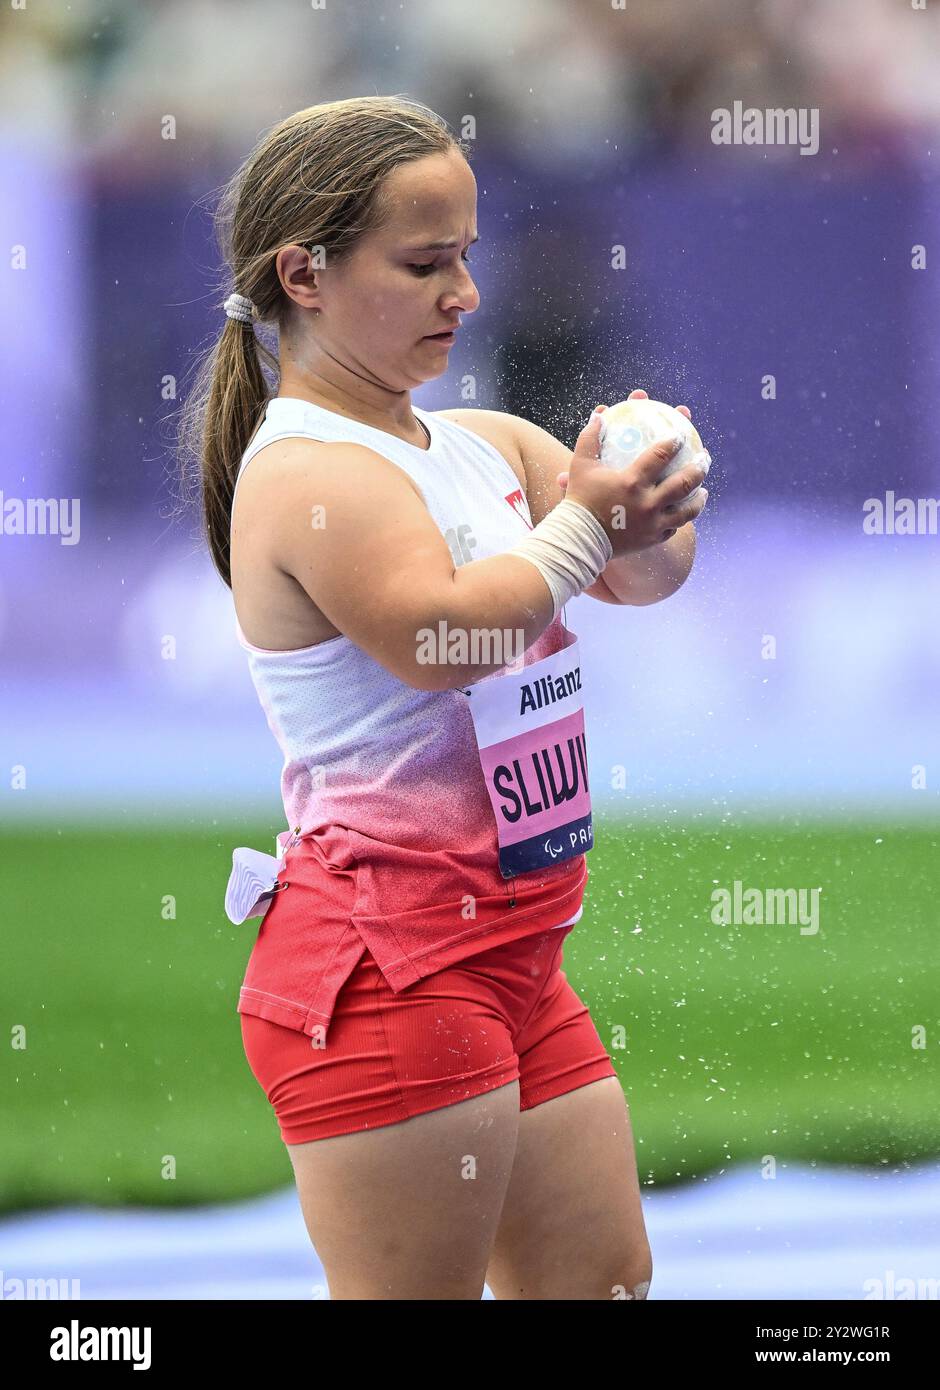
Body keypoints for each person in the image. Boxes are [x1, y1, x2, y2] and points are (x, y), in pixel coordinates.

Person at [178, 95, 708, 1300]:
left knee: (603, 1282)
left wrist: (660, 495)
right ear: (301, 274)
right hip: (391, 965)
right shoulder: (309, 475)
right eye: (423, 264)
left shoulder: (477, 442)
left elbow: (634, 574)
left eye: (466, 255)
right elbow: (446, 634)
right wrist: (587, 520)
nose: (464, 294)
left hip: (513, 954)